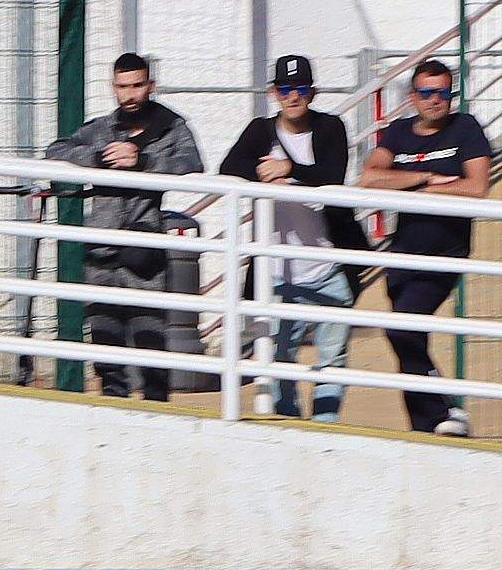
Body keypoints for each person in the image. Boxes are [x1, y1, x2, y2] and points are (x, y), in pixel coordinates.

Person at [220, 54, 373, 420]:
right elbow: (229, 167)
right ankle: (287, 427)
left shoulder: (330, 127)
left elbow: (331, 173)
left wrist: (289, 169)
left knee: (332, 358)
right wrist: (261, 173)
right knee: (277, 358)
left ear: (312, 92)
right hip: (275, 271)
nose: (293, 97)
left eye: (301, 89)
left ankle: (325, 426)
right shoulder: (260, 131)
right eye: (286, 89)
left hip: (326, 266)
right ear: (274, 92)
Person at [47, 52, 204, 402]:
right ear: (112, 87)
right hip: (100, 255)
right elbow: (55, 150)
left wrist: (143, 161)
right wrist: (96, 160)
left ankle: (157, 420)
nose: (130, 94)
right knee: (106, 354)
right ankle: (112, 422)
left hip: (143, 255)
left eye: (137, 85)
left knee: (151, 350)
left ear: (151, 85)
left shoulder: (171, 125)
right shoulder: (101, 129)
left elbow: (192, 163)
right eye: (122, 87)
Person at [357, 59, 495, 436]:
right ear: (412, 96)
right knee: (409, 339)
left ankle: (446, 406)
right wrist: (426, 177)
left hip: (443, 253)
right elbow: (369, 177)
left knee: (401, 328)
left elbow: (477, 187)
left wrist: (412, 186)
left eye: (443, 92)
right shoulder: (399, 132)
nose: (435, 100)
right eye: (427, 92)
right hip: (403, 253)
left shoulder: (465, 128)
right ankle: (426, 427)